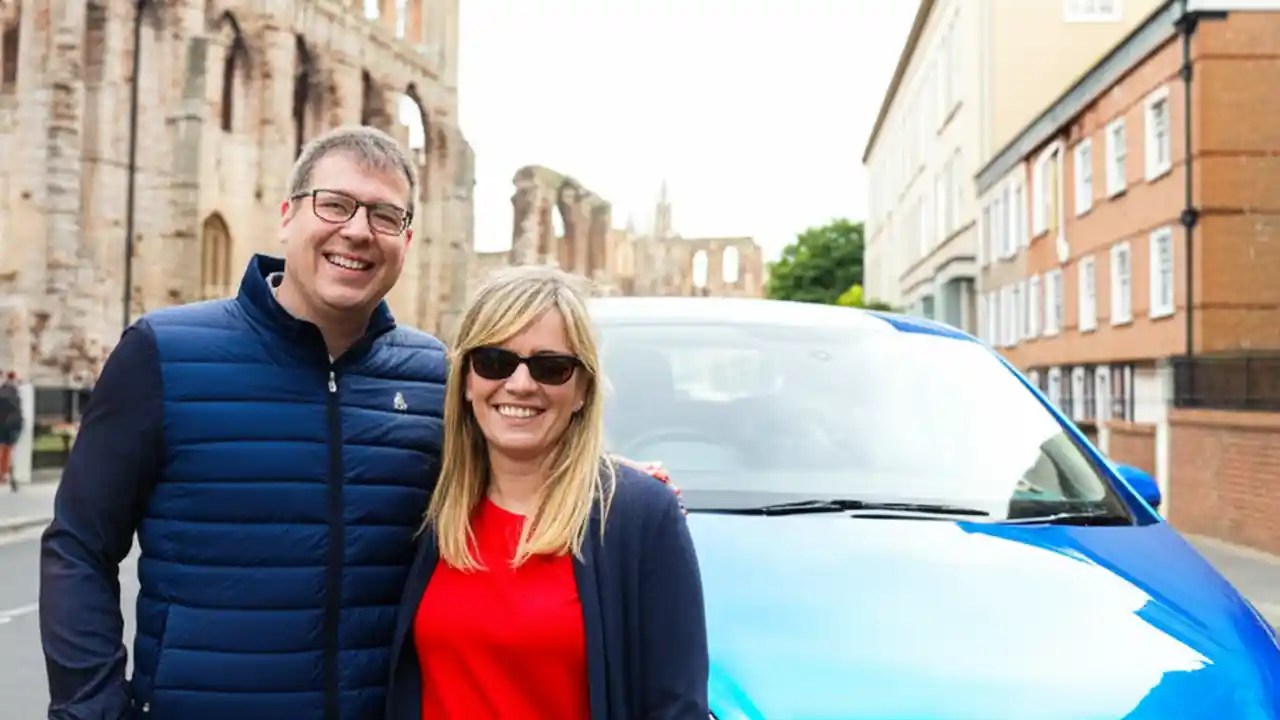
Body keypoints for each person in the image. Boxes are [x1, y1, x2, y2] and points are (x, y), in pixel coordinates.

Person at [39, 126, 449, 720]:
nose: (358, 231)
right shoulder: (163, 352)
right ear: (288, 216)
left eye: (386, 216)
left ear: (406, 240)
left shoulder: (434, 375)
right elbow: (78, 545)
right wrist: (91, 708)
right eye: (334, 204)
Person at [384, 265, 710, 719]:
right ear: (466, 381)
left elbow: (675, 705)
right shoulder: (428, 500)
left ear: (582, 390)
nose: (520, 384)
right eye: (494, 361)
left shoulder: (637, 516)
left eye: (551, 367)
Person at [0, 371, 21, 492]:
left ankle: (5, 475)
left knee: (5, 451)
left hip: (5, 425)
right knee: (8, 452)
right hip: (10, 426)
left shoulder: (6, 391)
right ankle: (7, 476)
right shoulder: (13, 392)